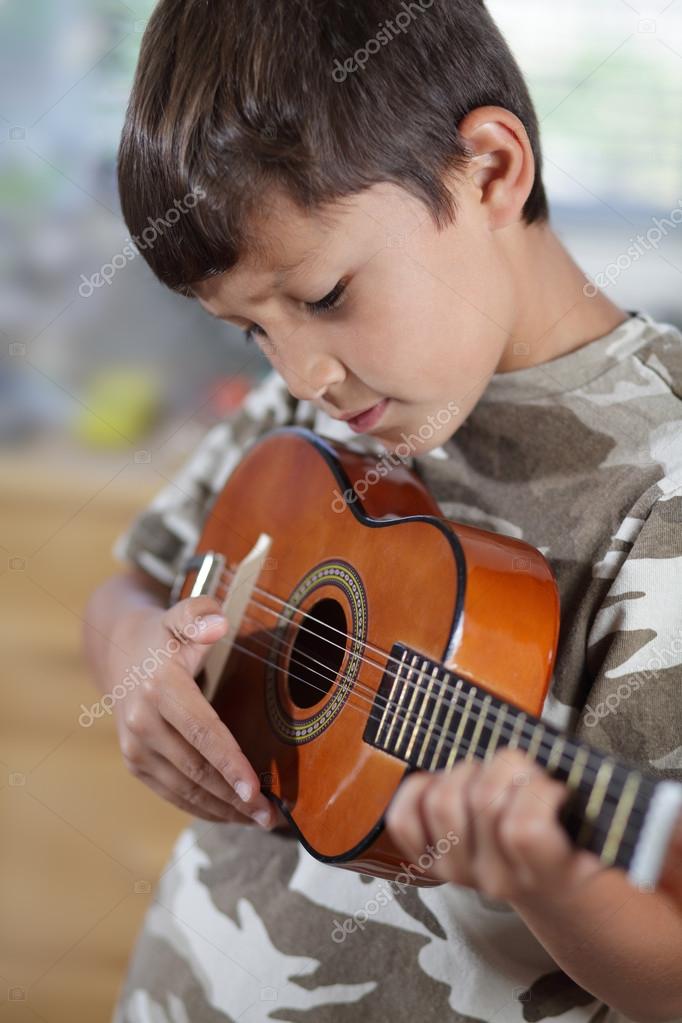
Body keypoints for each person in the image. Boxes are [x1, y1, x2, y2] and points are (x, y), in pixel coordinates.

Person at [83, 1, 682, 1020]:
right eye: (249, 333)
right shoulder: (315, 410)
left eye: (321, 297)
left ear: (490, 170)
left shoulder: (660, 486)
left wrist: (549, 880)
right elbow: (131, 583)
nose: (301, 370)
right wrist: (138, 658)